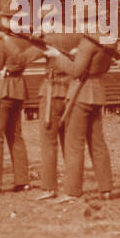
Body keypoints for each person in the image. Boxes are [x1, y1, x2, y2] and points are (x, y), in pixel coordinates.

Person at [45, 28, 114, 203]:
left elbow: (76, 71)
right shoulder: (108, 40)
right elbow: (95, 65)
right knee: (98, 143)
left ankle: (72, 190)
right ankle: (106, 188)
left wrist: (56, 56)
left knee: (73, 143)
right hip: (97, 91)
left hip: (81, 93)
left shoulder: (87, 42)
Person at [0, 6, 32, 193]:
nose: (0, 22)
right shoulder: (24, 41)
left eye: (2, 19)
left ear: (6, 21)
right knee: (15, 136)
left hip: (1, 90)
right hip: (17, 89)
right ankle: (22, 180)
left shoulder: (4, 42)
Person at [32, 29, 79, 201]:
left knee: (48, 141)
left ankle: (49, 187)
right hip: (70, 90)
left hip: (51, 90)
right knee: (70, 142)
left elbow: (21, 58)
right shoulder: (76, 35)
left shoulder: (48, 39)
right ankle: (72, 187)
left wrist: (34, 39)